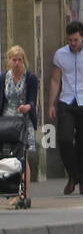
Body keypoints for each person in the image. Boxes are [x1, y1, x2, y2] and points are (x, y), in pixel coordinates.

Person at [47, 21, 83, 196]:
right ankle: (72, 175)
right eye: (70, 40)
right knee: (64, 139)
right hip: (67, 100)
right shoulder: (60, 55)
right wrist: (51, 103)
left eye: (75, 40)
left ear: (82, 36)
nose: (72, 43)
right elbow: (55, 80)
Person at [0, 45, 39, 205]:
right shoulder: (3, 77)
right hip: (6, 122)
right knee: (7, 157)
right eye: (14, 60)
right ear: (9, 61)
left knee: (23, 157)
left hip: (24, 121)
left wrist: (28, 107)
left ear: (24, 61)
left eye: (19, 60)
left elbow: (32, 99)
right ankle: (11, 190)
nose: (17, 63)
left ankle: (24, 193)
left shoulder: (30, 77)